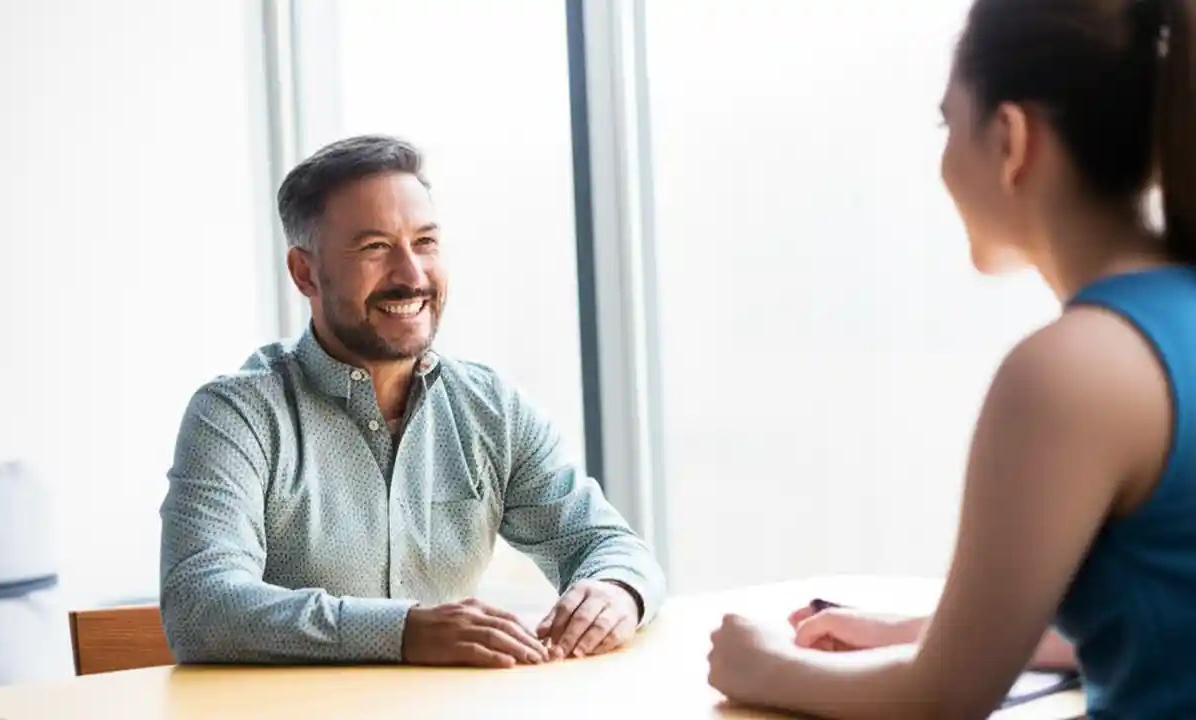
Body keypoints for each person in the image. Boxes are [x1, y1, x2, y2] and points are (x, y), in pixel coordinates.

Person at [707, 0, 1196, 717]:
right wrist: (922, 632)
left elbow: (942, 699)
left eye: (947, 122)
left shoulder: (1075, 370)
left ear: (1011, 138)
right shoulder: (1164, 328)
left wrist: (760, 664)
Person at [160, 135, 664, 668]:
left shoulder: (491, 408)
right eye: (375, 248)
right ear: (305, 272)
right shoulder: (235, 415)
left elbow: (609, 545)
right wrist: (401, 632)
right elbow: (200, 606)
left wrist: (615, 591)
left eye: (424, 242)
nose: (412, 276)